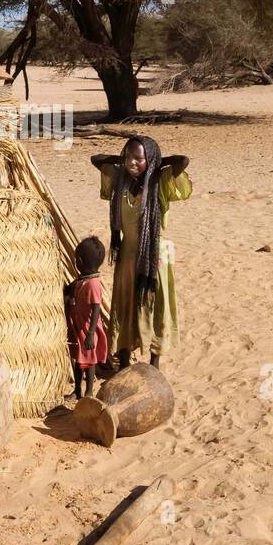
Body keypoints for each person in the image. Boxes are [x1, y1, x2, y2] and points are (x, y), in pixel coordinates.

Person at [91, 136, 192, 373]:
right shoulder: (120, 181)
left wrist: (157, 162)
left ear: (151, 160)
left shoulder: (160, 181)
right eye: (128, 157)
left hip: (155, 255)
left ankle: (154, 364)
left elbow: (183, 161)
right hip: (127, 253)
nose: (131, 163)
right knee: (125, 306)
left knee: (154, 306)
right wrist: (123, 159)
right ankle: (124, 363)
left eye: (138, 158)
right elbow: (95, 159)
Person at [64, 236, 107, 399]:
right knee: (78, 361)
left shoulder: (93, 284)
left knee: (89, 363)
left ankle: (89, 392)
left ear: (80, 261)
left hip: (88, 330)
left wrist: (90, 334)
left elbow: (97, 308)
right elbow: (71, 289)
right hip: (78, 328)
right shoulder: (83, 280)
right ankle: (77, 390)